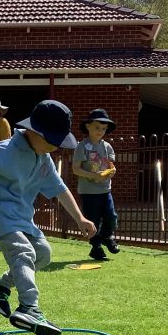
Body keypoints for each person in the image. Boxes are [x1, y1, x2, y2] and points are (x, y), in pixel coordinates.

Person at [0, 100, 96, 335]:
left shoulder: (43, 158)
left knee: (43, 254)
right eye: (52, 142)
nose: (55, 148)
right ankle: (29, 307)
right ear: (34, 132)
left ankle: (0, 286)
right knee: (23, 252)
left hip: (22, 216)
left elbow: (60, 189)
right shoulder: (5, 150)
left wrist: (80, 218)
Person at [72, 109, 120, 261]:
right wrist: (94, 175)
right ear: (88, 127)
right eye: (97, 127)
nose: (100, 131)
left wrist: (112, 171)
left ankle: (107, 237)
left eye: (104, 129)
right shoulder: (82, 146)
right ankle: (96, 247)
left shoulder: (107, 147)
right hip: (88, 191)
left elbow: (110, 165)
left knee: (111, 216)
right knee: (92, 220)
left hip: (105, 189)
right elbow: (76, 169)